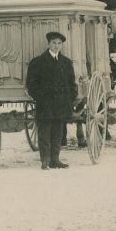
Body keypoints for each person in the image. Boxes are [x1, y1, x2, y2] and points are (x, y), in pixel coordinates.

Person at [25, 31, 77, 170]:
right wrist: (40, 97)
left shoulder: (66, 62)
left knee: (58, 132)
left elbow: (72, 83)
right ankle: (45, 161)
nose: (56, 46)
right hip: (46, 103)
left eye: (59, 43)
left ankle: (55, 160)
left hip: (61, 103)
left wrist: (70, 98)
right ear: (49, 44)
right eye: (54, 43)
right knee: (44, 132)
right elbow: (31, 84)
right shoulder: (38, 62)